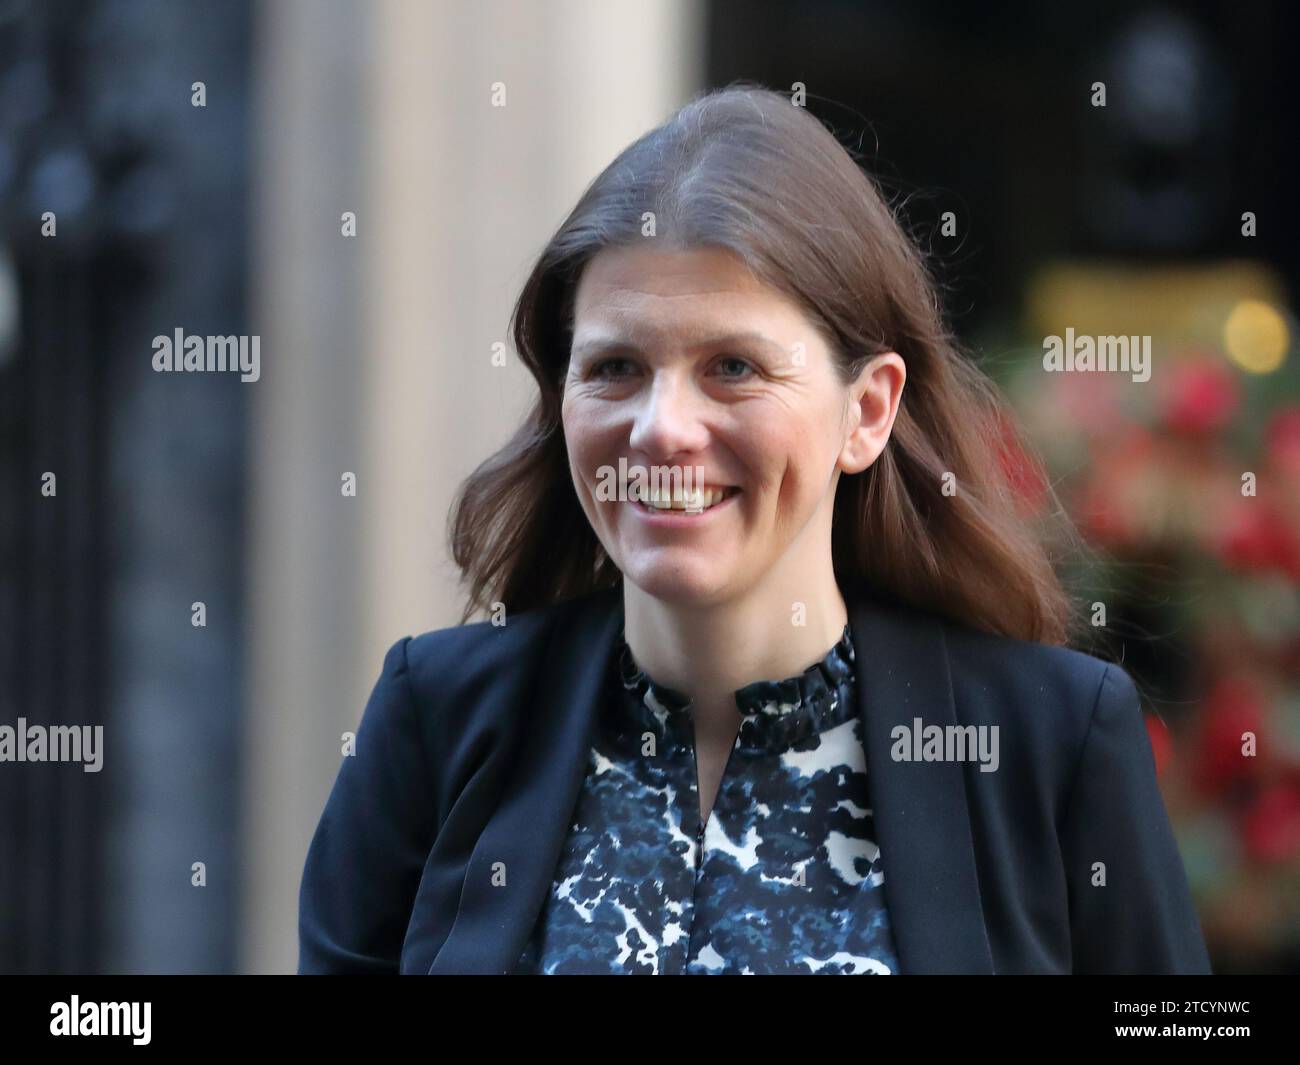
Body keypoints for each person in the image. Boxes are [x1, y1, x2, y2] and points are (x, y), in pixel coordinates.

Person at [297, 83, 1212, 975]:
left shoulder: (1050, 742)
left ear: (868, 411)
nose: (660, 427)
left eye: (732, 366)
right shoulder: (436, 722)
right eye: (615, 366)